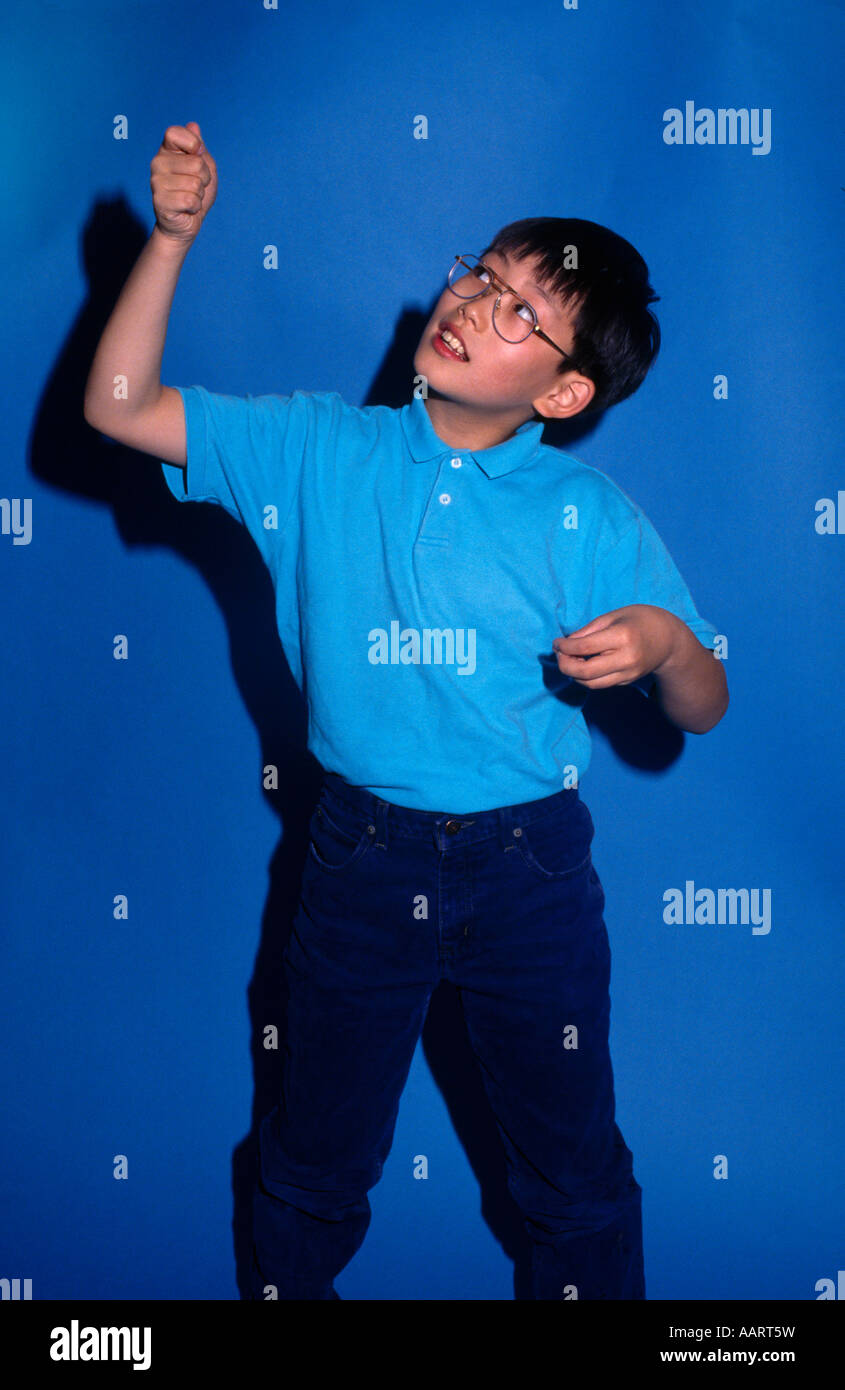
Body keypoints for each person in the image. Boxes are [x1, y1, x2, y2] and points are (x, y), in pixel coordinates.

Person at [84, 122, 729, 1301]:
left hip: (528, 872)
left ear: (566, 390)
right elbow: (121, 408)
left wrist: (669, 643)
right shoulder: (316, 450)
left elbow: (701, 707)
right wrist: (171, 241)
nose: (476, 304)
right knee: (313, 1158)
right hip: (361, 861)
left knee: (571, 1171)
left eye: (520, 311)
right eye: (477, 273)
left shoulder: (586, 512)